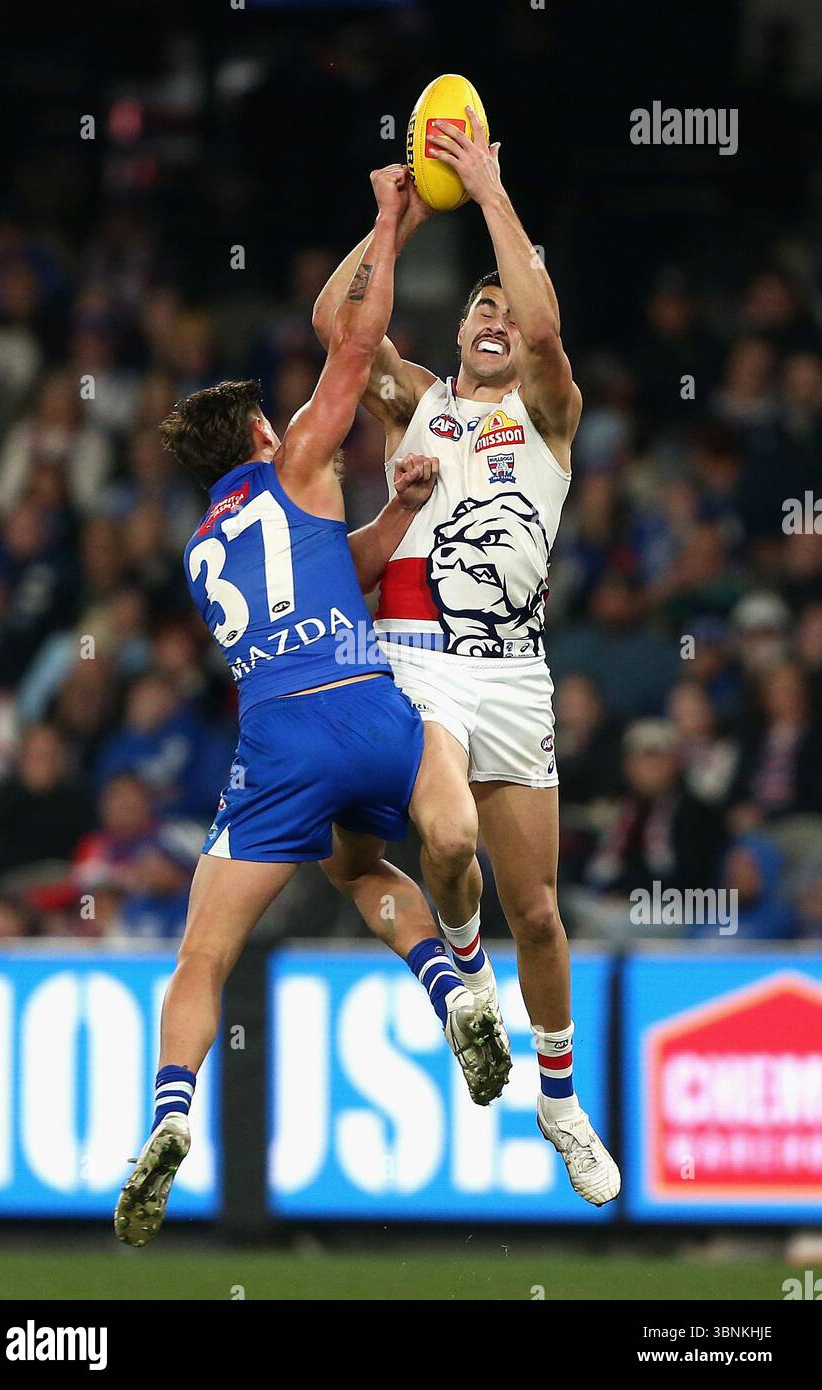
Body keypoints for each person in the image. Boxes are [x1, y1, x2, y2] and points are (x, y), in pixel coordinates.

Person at [114, 167, 510, 1248]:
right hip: (366, 708)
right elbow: (350, 344)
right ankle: (457, 987)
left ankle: (168, 1114)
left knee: (201, 957)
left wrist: (391, 514)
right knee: (371, 858)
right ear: (254, 431)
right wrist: (391, 216)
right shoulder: (295, 457)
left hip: (277, 738)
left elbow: (330, 567)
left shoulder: (202, 545)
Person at [312, 114, 619, 1204]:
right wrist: (385, 220)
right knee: (443, 838)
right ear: (454, 334)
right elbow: (331, 321)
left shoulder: (548, 413)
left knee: (537, 909)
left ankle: (558, 1098)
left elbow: (544, 332)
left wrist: (488, 189)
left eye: (505, 308)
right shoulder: (418, 404)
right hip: (415, 661)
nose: (495, 319)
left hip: (513, 676)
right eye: (478, 307)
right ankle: (466, 986)